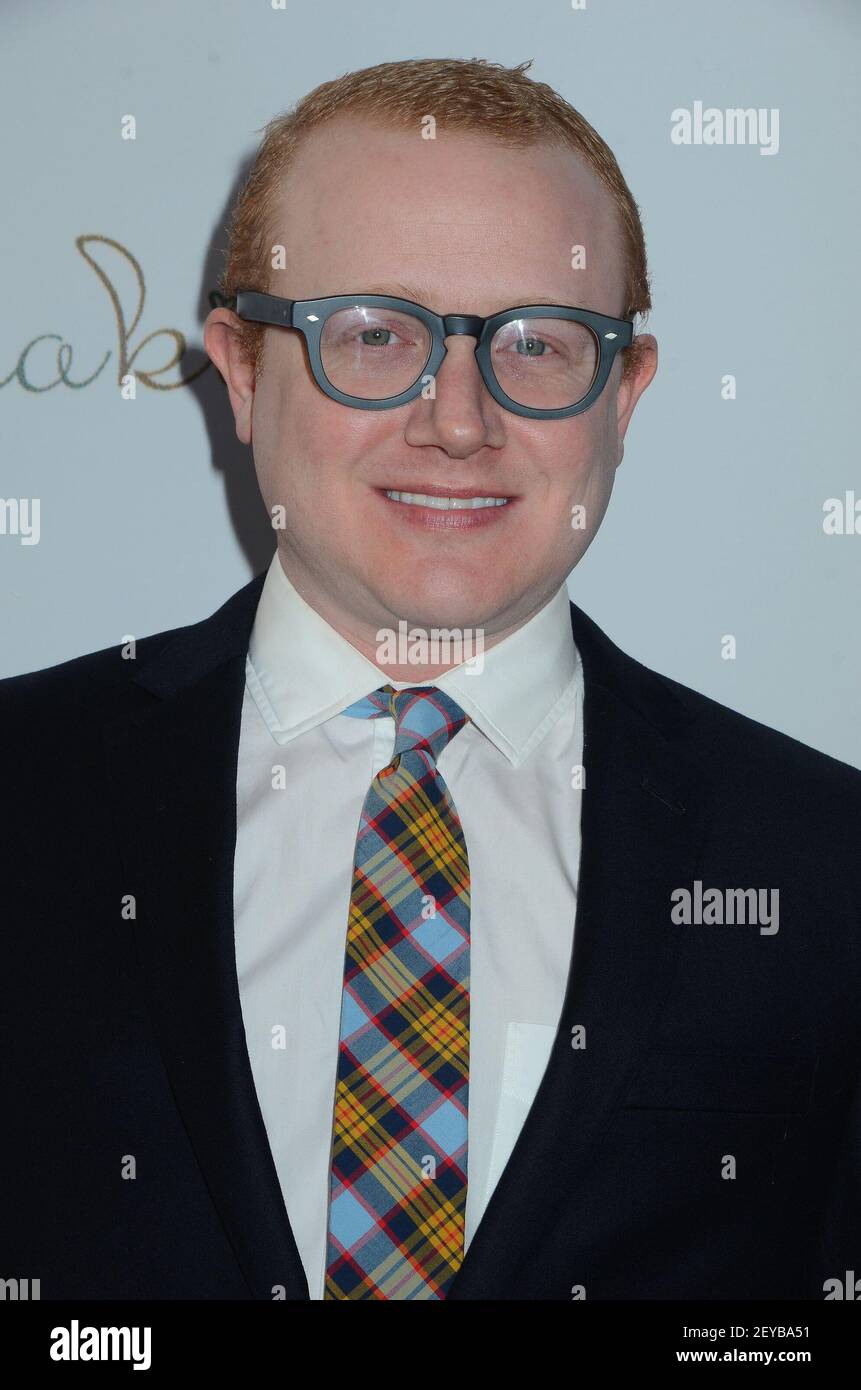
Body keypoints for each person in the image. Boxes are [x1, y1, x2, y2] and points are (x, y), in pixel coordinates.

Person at [2, 56, 858, 1302]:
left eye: (541, 344)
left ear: (627, 394)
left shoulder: (822, 862)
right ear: (240, 371)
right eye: (373, 334)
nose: (458, 417)